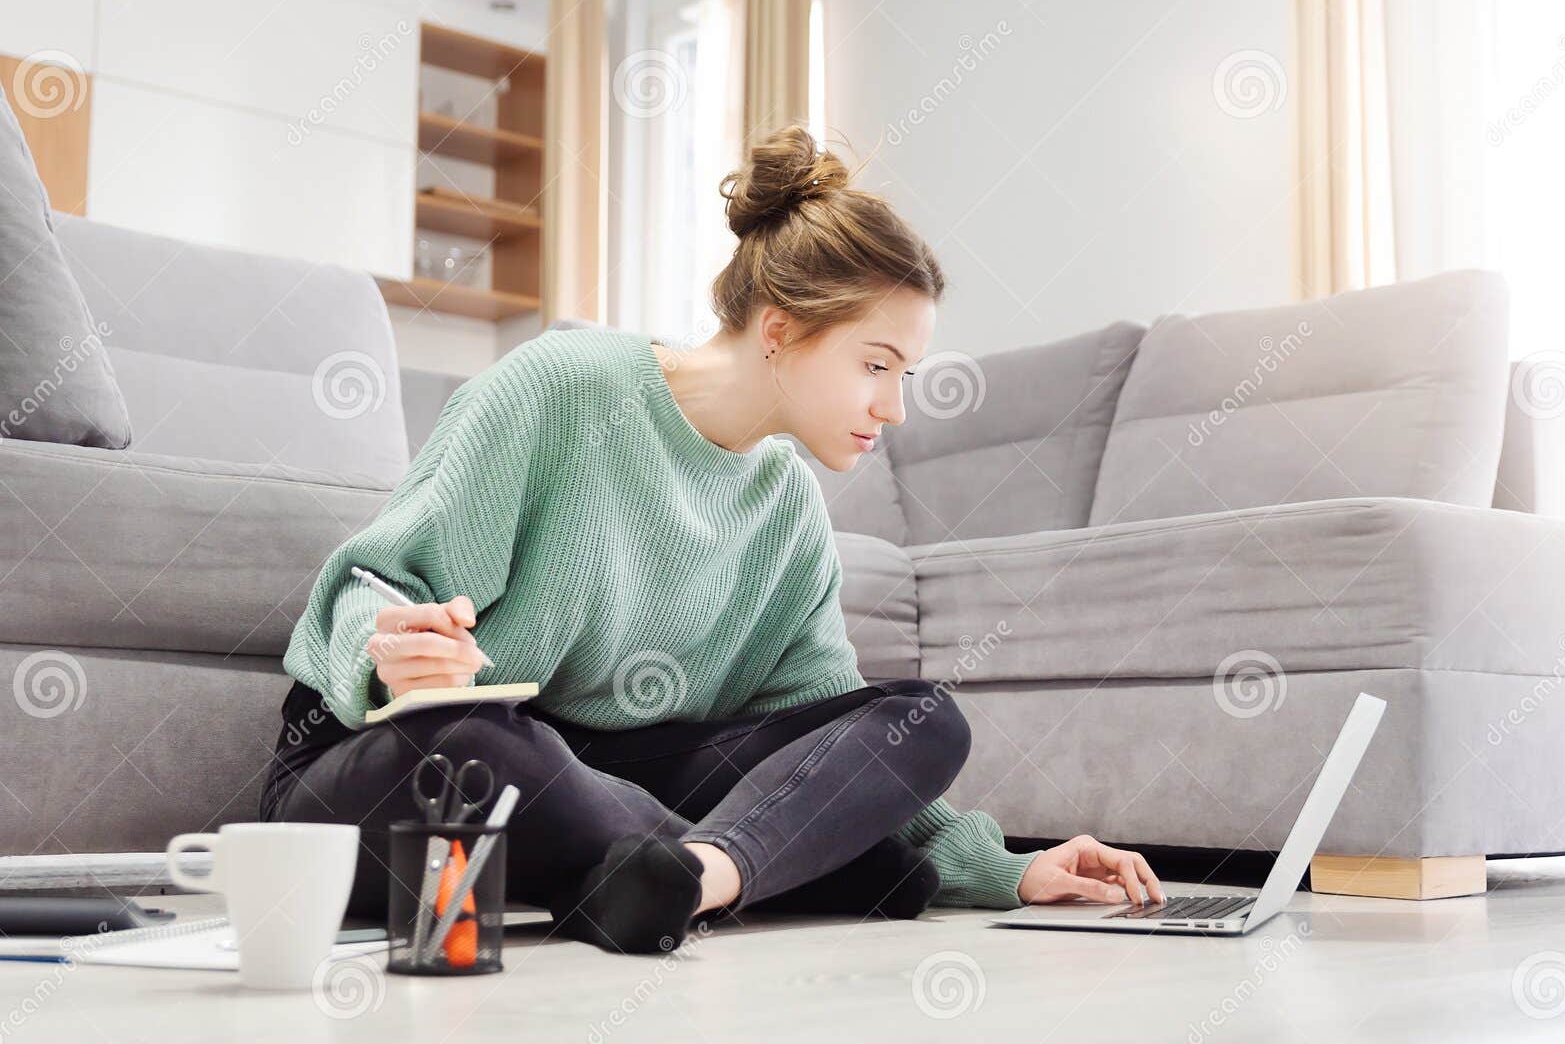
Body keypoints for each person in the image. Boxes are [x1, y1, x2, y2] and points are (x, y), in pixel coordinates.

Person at [261, 125, 1164, 954]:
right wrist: (391, 652)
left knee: (924, 720)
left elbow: (827, 733)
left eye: (907, 375)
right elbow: (371, 584)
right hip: (407, 761)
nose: (893, 407)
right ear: (779, 331)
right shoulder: (563, 388)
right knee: (493, 745)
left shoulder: (787, 504)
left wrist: (1004, 868)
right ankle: (723, 864)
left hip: (600, 781)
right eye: (876, 366)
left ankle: (690, 876)